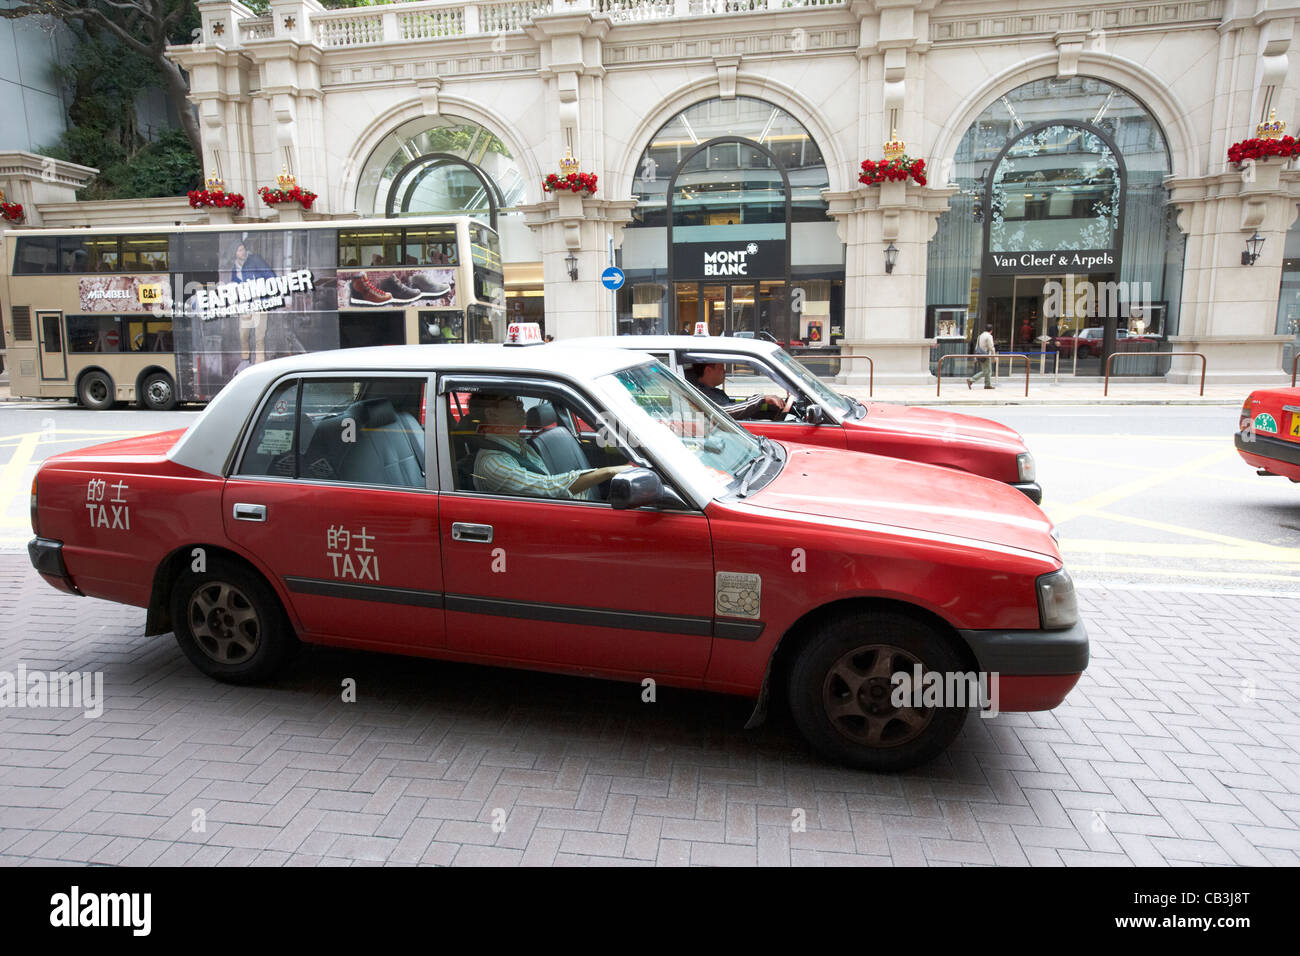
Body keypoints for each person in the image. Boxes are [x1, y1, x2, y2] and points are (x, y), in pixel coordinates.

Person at [469, 393, 628, 499]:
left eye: (517, 398)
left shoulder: (519, 445)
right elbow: (547, 488)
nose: (520, 403)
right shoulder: (494, 463)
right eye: (510, 399)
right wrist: (609, 471)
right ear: (492, 414)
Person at [685, 362, 793, 421]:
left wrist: (769, 408)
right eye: (721, 367)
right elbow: (726, 411)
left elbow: (736, 406)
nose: (724, 370)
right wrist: (762, 399)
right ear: (708, 370)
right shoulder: (703, 394)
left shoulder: (714, 392)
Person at [968, 323, 996, 390]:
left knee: (987, 370)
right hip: (986, 355)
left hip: (979, 355)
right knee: (986, 371)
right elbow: (991, 347)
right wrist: (994, 356)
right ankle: (971, 380)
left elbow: (977, 347)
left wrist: (975, 357)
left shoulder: (980, 336)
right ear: (991, 330)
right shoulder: (989, 336)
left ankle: (987, 385)